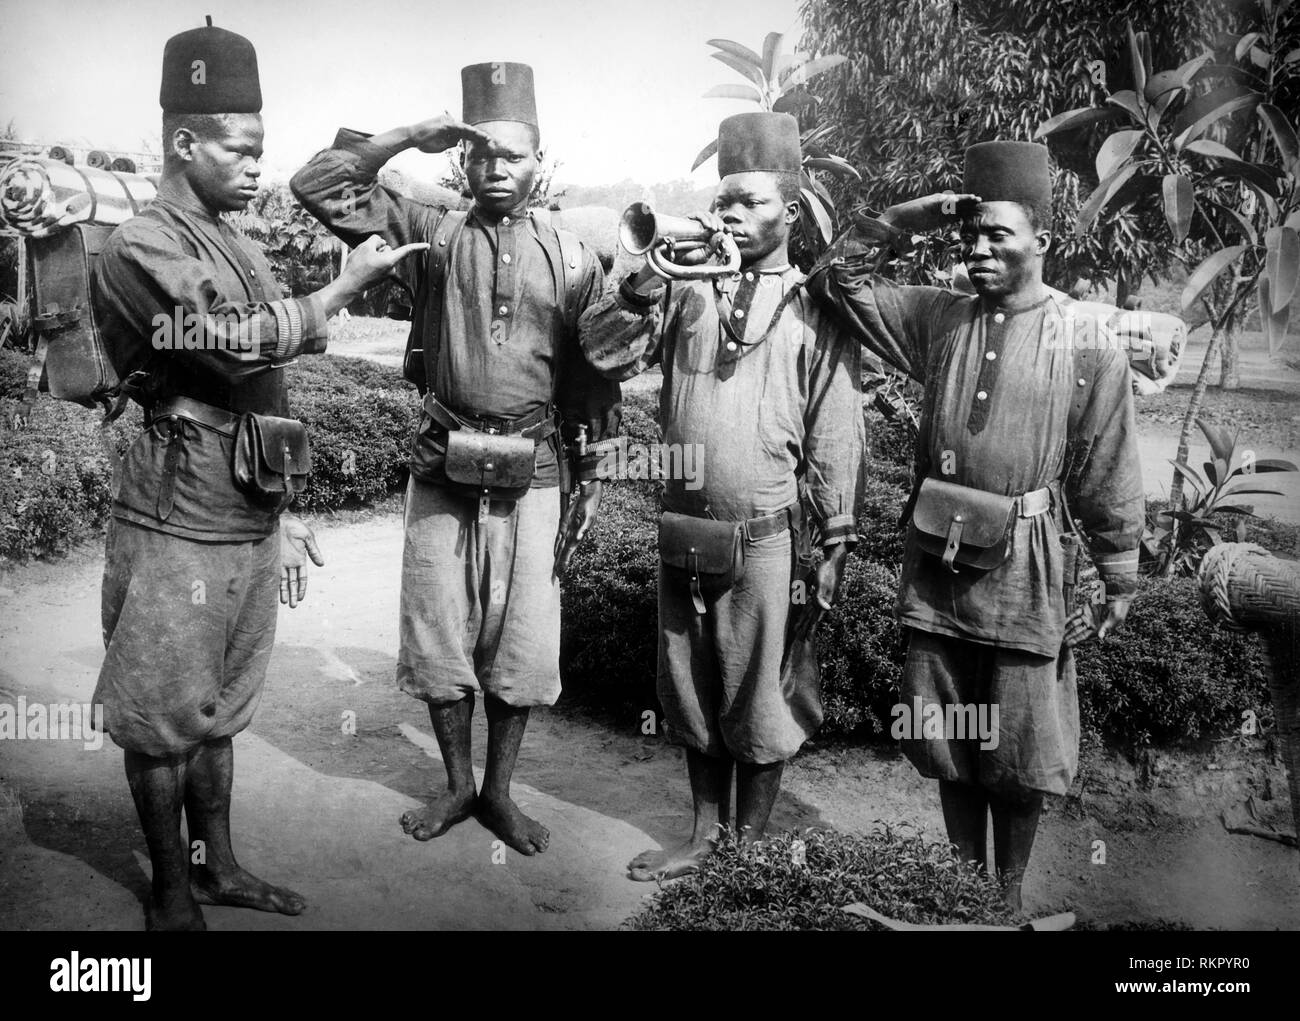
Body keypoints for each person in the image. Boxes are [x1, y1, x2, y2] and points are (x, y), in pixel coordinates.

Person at [91, 19, 422, 930]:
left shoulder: (233, 239)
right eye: (240, 150)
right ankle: (169, 894)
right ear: (184, 141)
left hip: (243, 508)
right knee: (162, 716)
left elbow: (264, 389)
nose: (255, 169)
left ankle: (217, 865)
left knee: (223, 708)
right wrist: (337, 294)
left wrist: (289, 509)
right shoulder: (140, 246)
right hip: (174, 514)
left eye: (261, 151)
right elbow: (231, 349)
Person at [806, 140, 1147, 910]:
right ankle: (965, 895)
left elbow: (1109, 462)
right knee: (947, 736)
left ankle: (1008, 898)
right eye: (971, 233)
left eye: (1000, 233)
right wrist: (901, 217)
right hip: (937, 561)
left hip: (1025, 572)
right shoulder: (940, 317)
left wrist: (1119, 571)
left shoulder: (1084, 338)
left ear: (1043, 242)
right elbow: (838, 282)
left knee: (1018, 751)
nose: (980, 248)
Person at [291, 62, 618, 856]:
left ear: (540, 162)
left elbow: (596, 373)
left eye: (514, 154)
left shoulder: (574, 256)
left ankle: (501, 791)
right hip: (442, 458)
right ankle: (456, 784)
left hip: (537, 467)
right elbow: (317, 183)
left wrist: (596, 473)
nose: (497, 168)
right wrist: (409, 134)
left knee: (524, 638)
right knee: (438, 629)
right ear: (462, 162)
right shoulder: (426, 229)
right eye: (481, 153)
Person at [579, 112, 864, 880]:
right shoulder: (685, 290)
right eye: (724, 198)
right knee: (691, 691)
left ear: (793, 212)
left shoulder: (816, 306)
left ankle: (746, 847)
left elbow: (837, 431)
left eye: (751, 200)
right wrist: (646, 278)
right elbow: (603, 350)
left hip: (768, 537)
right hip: (684, 530)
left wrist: (835, 541)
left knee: (760, 697)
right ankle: (702, 835)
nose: (730, 213)